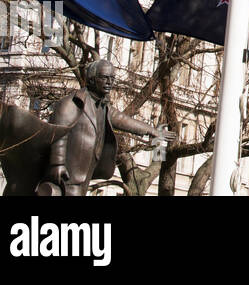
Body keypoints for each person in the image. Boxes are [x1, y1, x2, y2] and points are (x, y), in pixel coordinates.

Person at [42, 58, 161, 196]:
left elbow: (123, 120)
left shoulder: (102, 106)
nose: (109, 82)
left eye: (112, 78)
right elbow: (58, 133)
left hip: (87, 169)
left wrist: (150, 130)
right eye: (104, 78)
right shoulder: (73, 103)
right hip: (70, 171)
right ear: (92, 79)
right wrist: (57, 164)